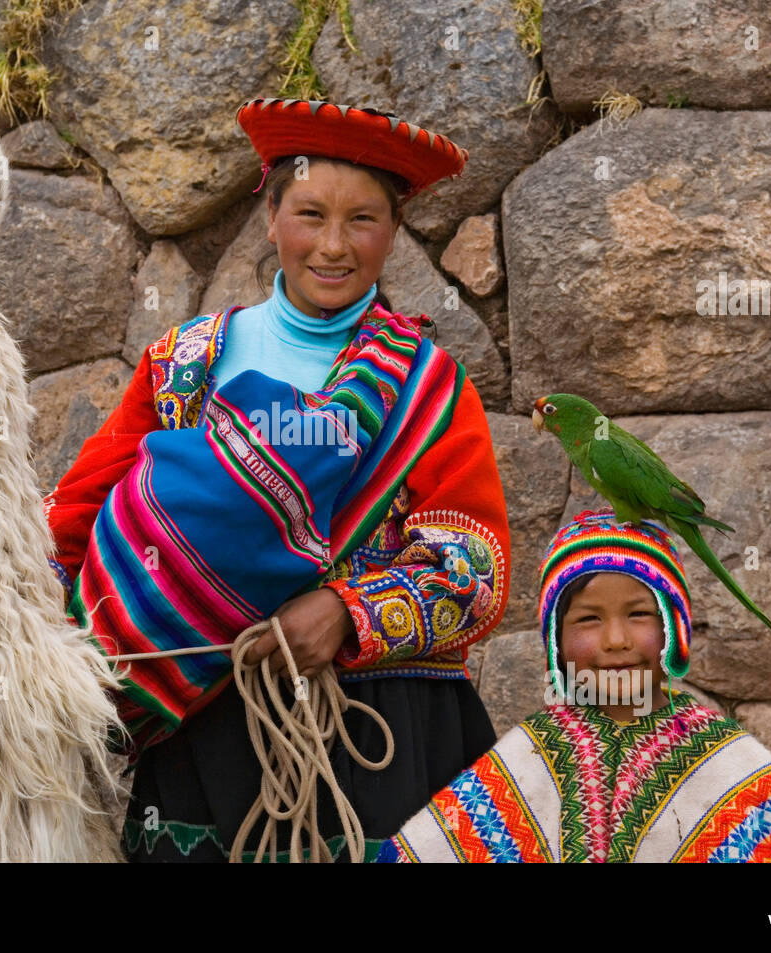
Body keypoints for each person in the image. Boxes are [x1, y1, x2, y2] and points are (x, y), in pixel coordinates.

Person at [43, 98, 511, 861]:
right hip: (206, 719)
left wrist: (347, 611)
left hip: (380, 731)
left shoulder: (428, 387)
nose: (332, 246)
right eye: (309, 214)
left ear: (393, 233)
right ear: (271, 220)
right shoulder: (184, 364)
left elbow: (477, 565)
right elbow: (75, 517)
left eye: (362, 220)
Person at [378, 509, 771, 863]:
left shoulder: (725, 760)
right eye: (588, 620)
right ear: (555, 640)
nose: (616, 641)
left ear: (673, 629)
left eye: (638, 614)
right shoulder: (530, 758)